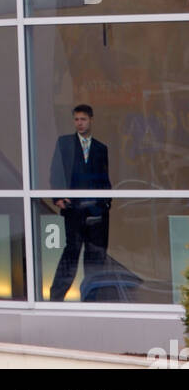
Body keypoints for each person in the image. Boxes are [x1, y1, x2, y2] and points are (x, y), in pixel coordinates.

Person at [48, 104, 111, 302]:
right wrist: (58, 198)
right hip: (74, 209)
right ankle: (56, 298)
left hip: (94, 210)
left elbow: (104, 178)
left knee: (94, 256)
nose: (79, 123)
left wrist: (106, 203)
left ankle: (91, 298)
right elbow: (55, 172)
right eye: (76, 119)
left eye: (83, 119)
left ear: (90, 120)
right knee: (71, 253)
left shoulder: (100, 148)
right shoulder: (65, 143)